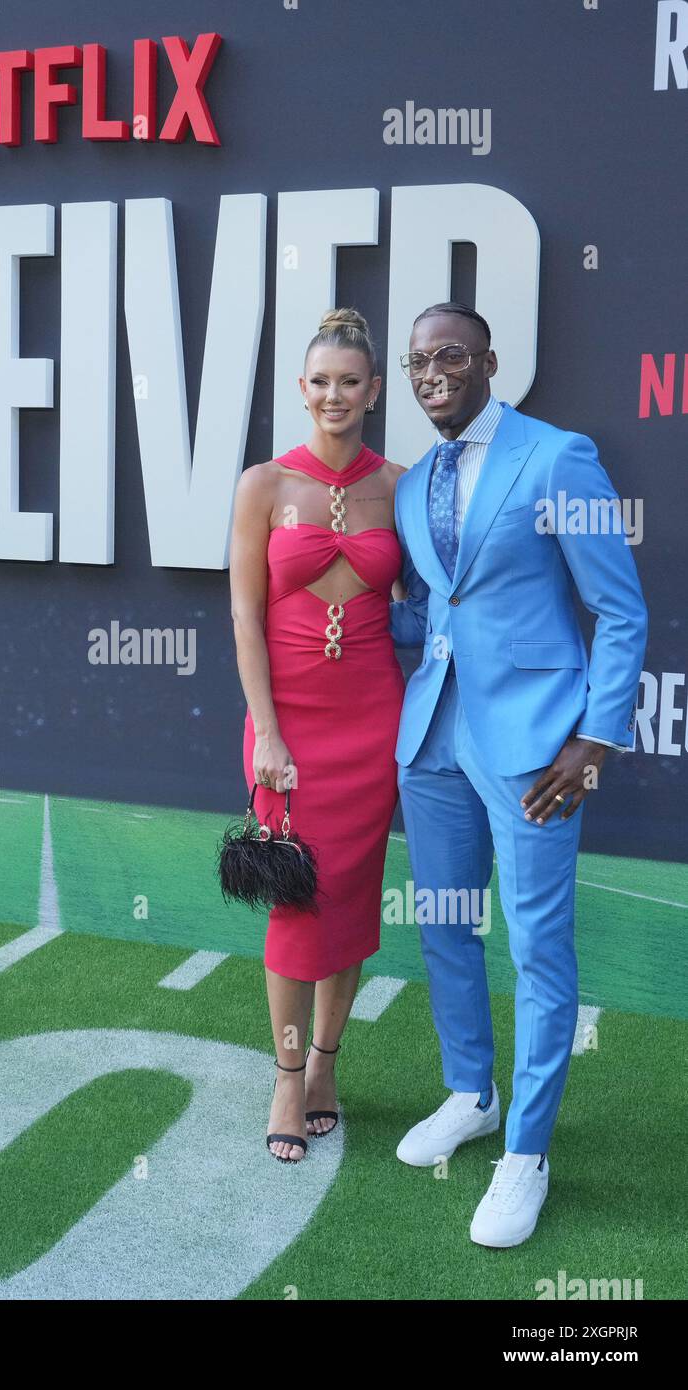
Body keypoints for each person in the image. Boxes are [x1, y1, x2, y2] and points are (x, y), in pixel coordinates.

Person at [389, 302, 647, 1244]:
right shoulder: (414, 483)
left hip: (537, 746)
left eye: (449, 354)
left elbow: (619, 610)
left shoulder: (557, 455)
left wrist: (593, 739)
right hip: (433, 739)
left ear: (489, 360)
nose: (431, 372)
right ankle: (471, 1093)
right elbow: (431, 614)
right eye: (417, 361)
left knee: (538, 951)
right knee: (446, 929)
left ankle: (525, 1154)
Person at [229, 307, 406, 1163]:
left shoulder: (403, 484)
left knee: (349, 905)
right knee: (297, 904)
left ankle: (329, 1065)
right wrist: (266, 730)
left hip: (374, 723)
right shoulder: (263, 483)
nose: (333, 394)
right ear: (302, 390)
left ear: (372, 390)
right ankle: (287, 1076)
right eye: (319, 381)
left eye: (350, 381)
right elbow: (242, 612)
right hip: (287, 728)